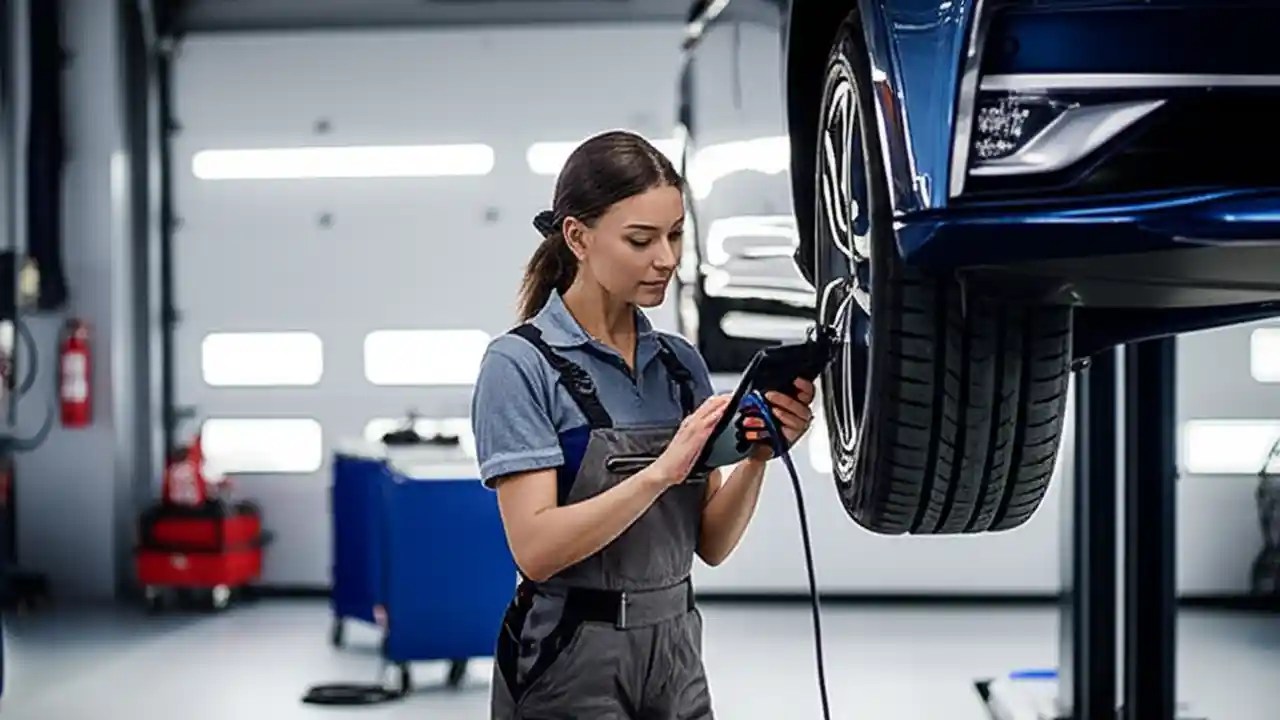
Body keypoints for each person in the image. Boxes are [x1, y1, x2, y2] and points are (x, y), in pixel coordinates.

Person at [470, 129, 817, 719]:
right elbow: (537, 551)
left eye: (676, 234)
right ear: (577, 237)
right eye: (641, 239)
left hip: (677, 647)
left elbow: (710, 545)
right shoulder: (520, 365)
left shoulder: (680, 366)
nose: (668, 259)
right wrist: (661, 472)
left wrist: (758, 456)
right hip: (572, 657)